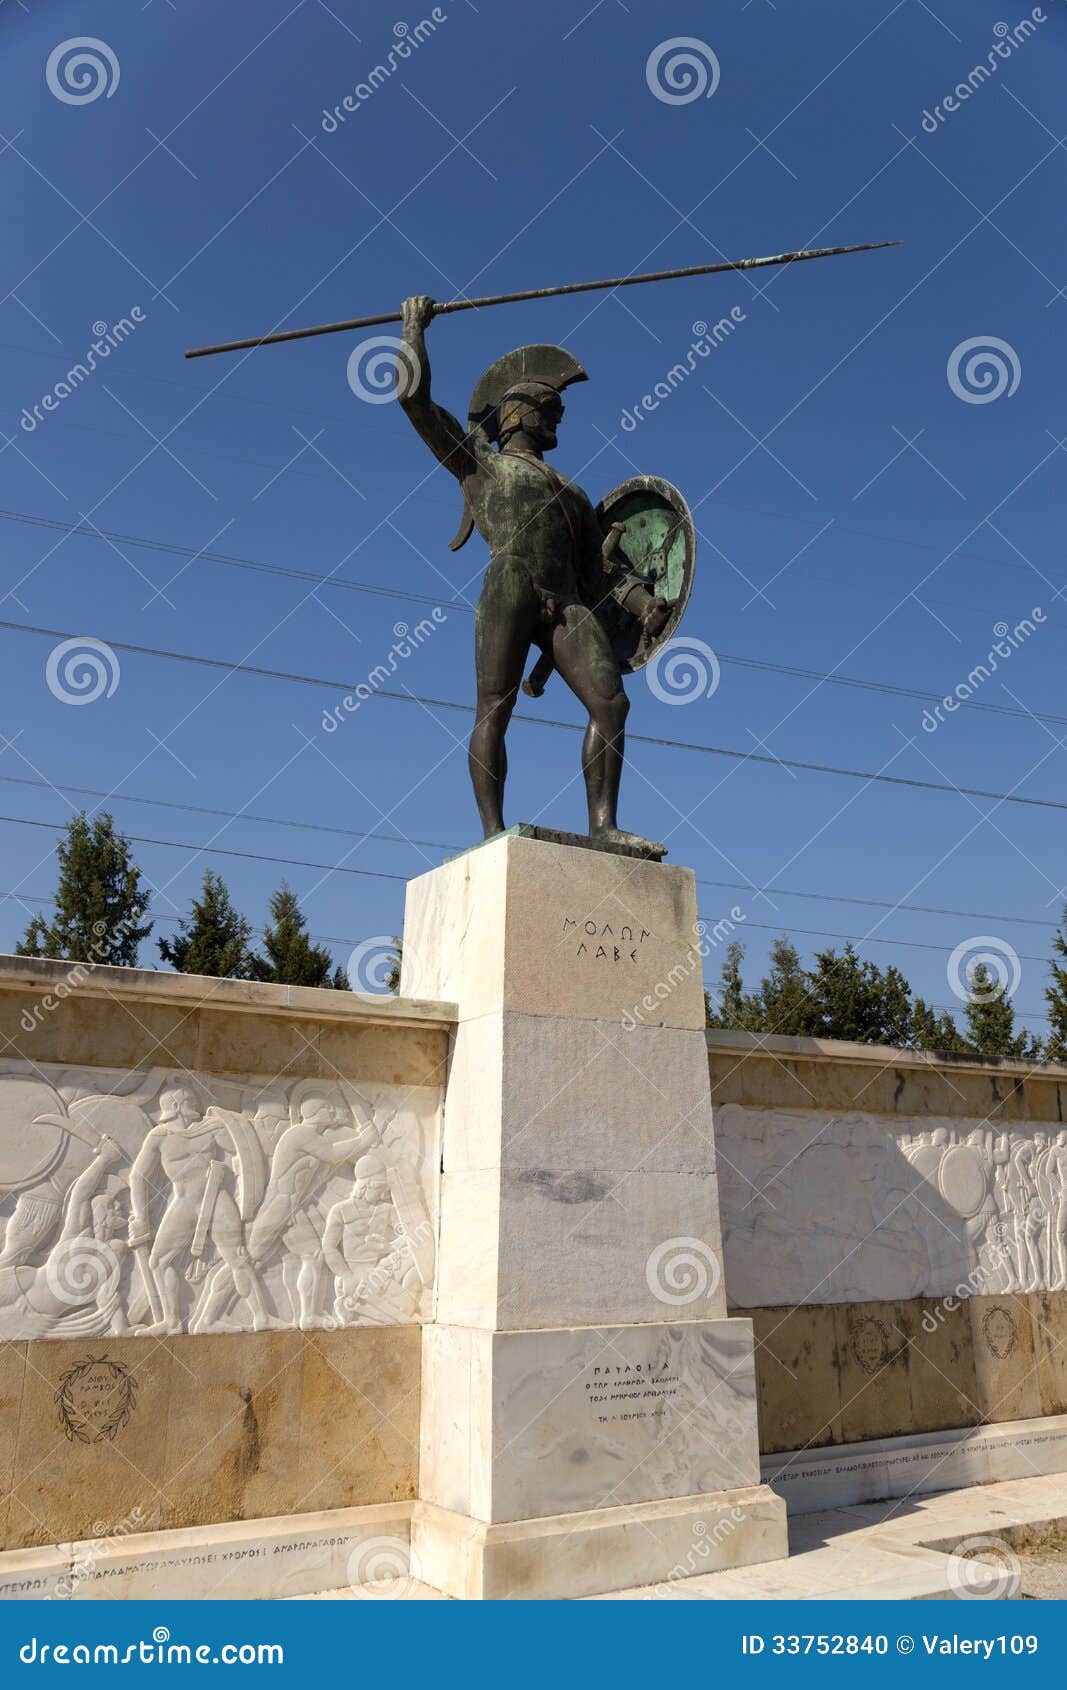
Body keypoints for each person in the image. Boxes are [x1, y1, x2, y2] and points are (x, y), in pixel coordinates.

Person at [397, 294, 668, 852]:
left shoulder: (574, 493)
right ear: (518, 413)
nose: (558, 419)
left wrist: (646, 606)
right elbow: (414, 400)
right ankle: (492, 832)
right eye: (551, 409)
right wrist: (413, 327)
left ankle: (604, 825)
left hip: (566, 601)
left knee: (611, 702)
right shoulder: (480, 462)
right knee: (495, 707)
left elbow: (602, 573)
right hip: (510, 583)